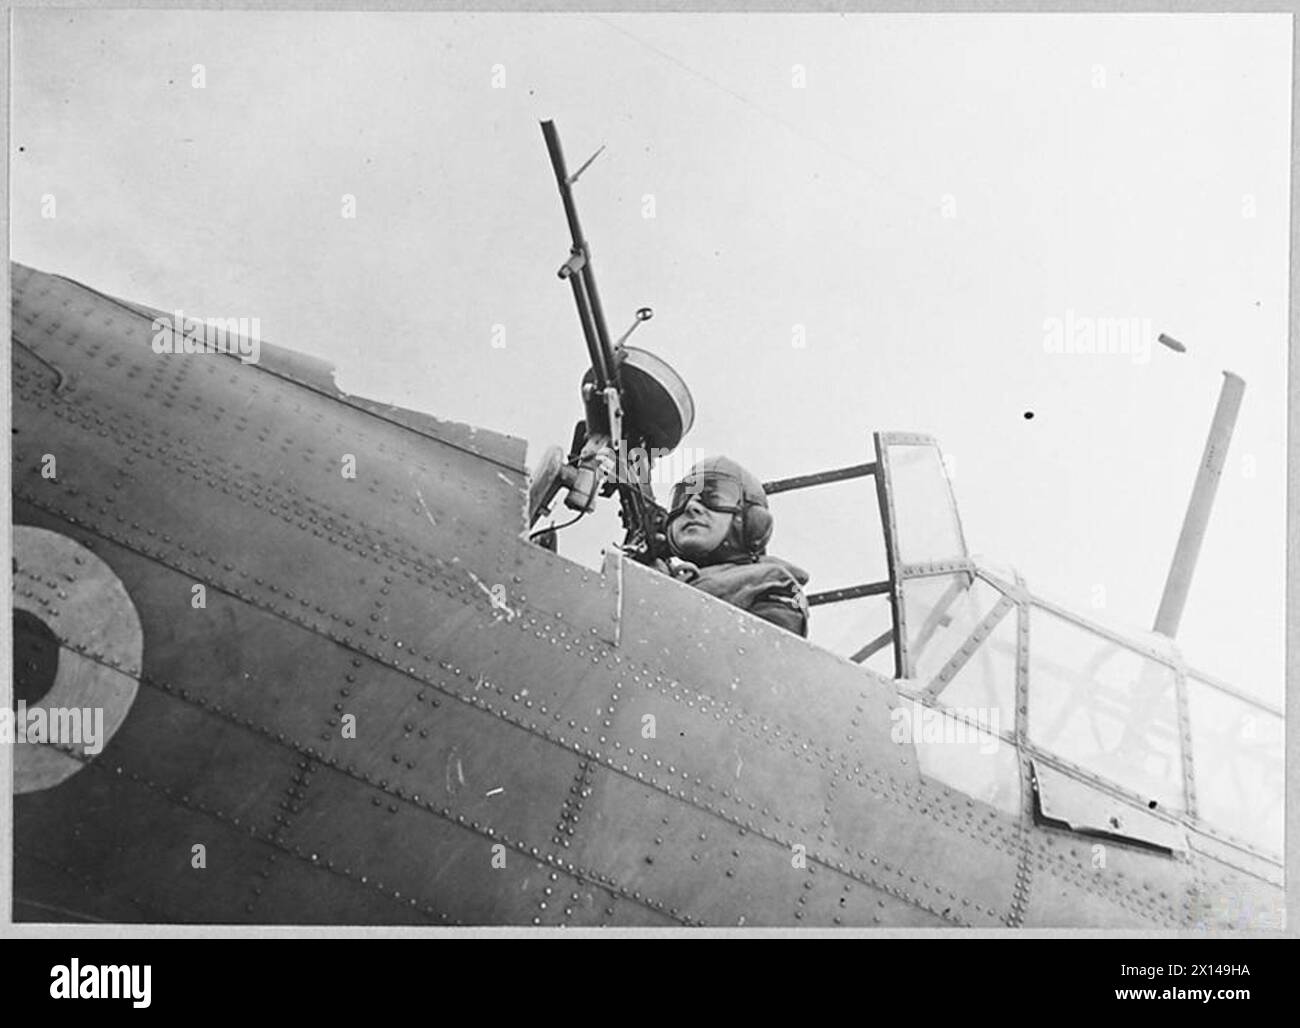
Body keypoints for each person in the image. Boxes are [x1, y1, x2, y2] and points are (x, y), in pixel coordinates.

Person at [655, 456, 811, 636]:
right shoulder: (667, 578)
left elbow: (757, 657)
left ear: (753, 521)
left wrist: (662, 594)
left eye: (714, 497)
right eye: (682, 498)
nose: (691, 506)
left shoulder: (773, 588)